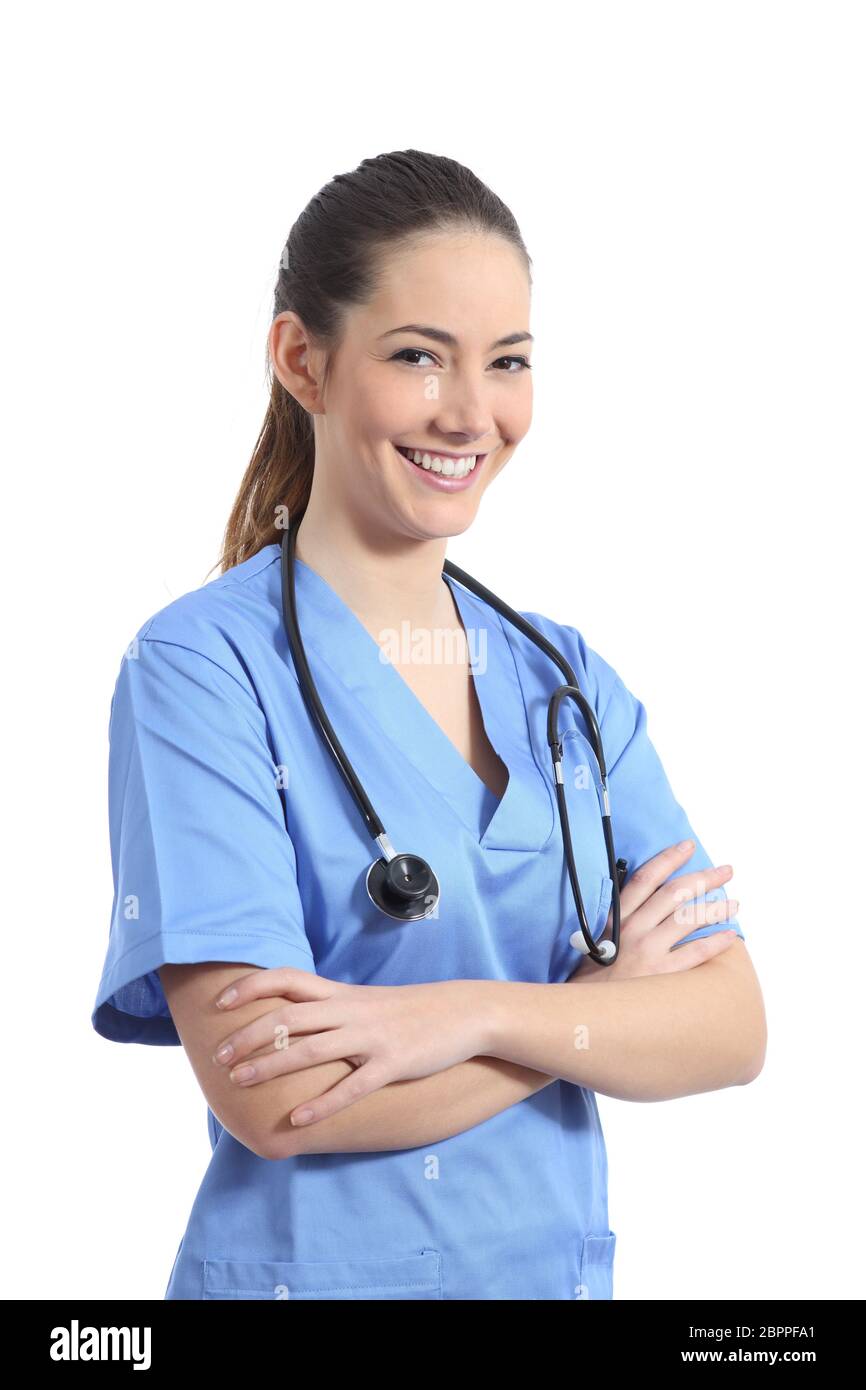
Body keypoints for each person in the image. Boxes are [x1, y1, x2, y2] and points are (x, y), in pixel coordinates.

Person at [91, 148, 766, 1301]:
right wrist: (594, 1017)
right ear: (303, 359)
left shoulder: (564, 681)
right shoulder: (201, 670)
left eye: (507, 362)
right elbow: (275, 1098)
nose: (470, 413)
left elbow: (728, 1025)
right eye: (417, 357)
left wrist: (457, 1018)